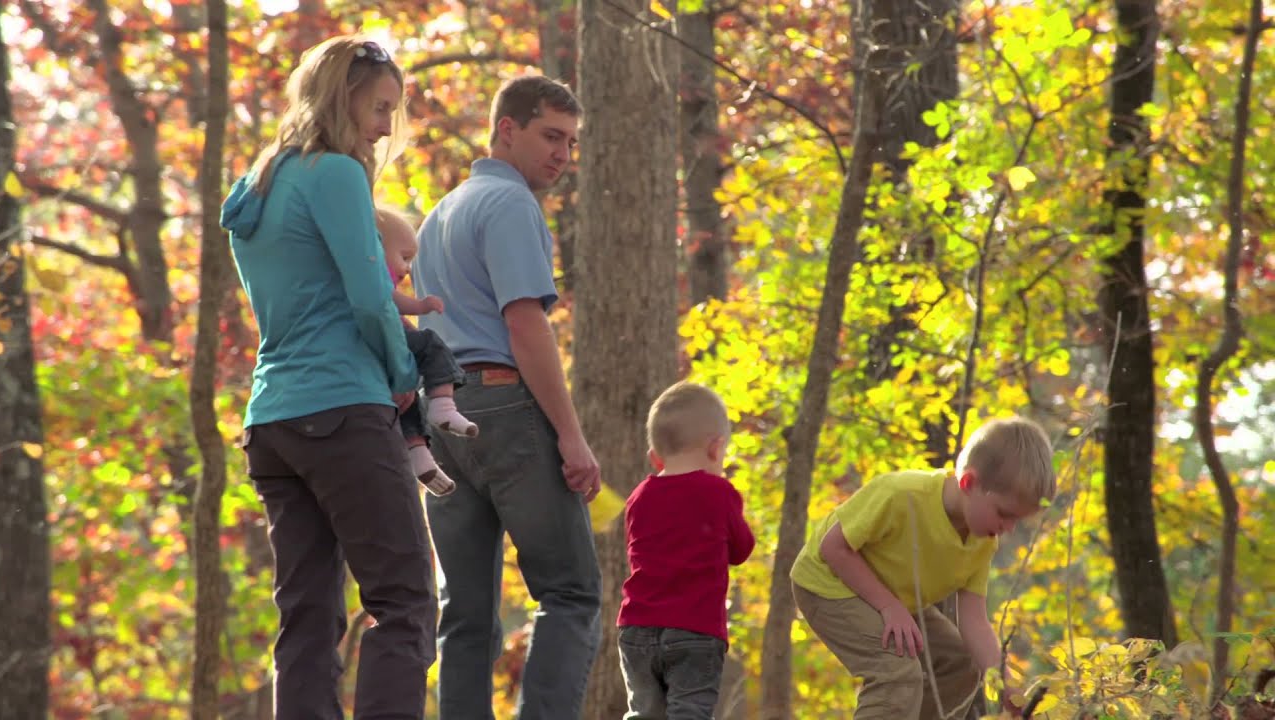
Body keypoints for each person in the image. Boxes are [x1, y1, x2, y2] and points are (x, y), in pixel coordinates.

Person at [221, 35, 435, 720]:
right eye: (378, 108)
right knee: (403, 599)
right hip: (344, 409)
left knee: (307, 619)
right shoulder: (335, 174)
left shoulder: (253, 185)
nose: (383, 127)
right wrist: (405, 373)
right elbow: (369, 296)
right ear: (341, 97)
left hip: (273, 422)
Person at [411, 75, 602, 720]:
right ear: (506, 129)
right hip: (501, 408)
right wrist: (571, 438)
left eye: (571, 143)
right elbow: (526, 326)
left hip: (439, 423)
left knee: (463, 614)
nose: (562, 156)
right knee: (570, 594)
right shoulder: (511, 203)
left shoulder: (440, 213)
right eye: (551, 136)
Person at [789, 417, 1056, 720]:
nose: (1007, 528)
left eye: (1016, 521)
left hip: (894, 597)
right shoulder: (902, 495)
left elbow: (975, 622)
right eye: (1004, 514)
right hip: (829, 584)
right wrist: (889, 606)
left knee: (961, 662)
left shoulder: (982, 541)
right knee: (897, 670)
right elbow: (833, 548)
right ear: (968, 483)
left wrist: (1005, 686)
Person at [617, 381, 755, 720]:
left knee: (643, 712)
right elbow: (742, 550)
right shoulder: (719, 493)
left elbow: (638, 550)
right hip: (695, 629)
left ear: (655, 456)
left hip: (637, 628)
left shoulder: (638, 497)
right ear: (716, 447)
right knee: (689, 711)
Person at [376, 207, 478, 496]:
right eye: (404, 257)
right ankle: (443, 404)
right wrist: (421, 307)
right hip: (385, 344)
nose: (408, 268)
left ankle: (420, 455)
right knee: (431, 344)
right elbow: (390, 300)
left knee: (409, 400)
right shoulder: (372, 273)